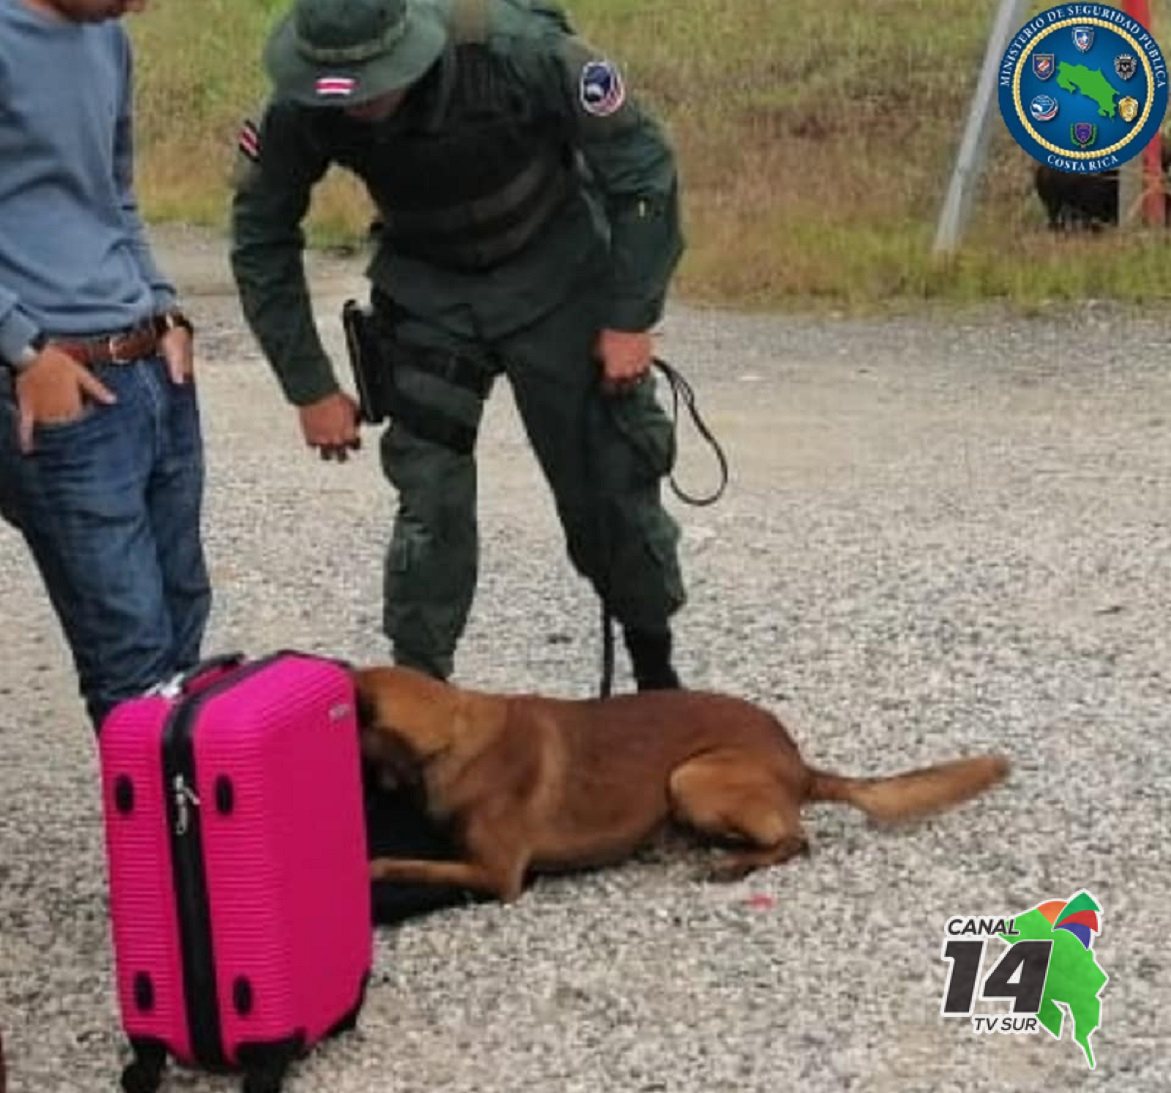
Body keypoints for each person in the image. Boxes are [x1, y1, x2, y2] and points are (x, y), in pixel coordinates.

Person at [231, 0, 689, 690]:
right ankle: (420, 697)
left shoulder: (518, 50)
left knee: (608, 483)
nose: (356, 105)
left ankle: (656, 673)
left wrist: (629, 318)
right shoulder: (301, 106)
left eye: (373, 84)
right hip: (428, 294)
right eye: (343, 91)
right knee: (430, 503)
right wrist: (310, 385)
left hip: (557, 277)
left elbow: (643, 170)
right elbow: (260, 236)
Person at [0, 0, 211, 730]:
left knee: (184, 631)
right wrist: (24, 351)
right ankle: (160, 847)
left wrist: (165, 307)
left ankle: (191, 843)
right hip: (58, 382)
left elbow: (116, 195)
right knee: (133, 664)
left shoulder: (109, 39)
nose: (143, 3)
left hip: (151, 366)